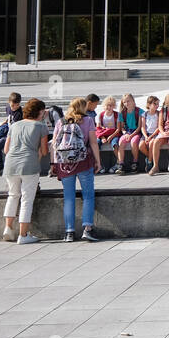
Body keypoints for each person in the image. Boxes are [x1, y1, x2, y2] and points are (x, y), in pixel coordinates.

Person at [52, 97, 100, 242]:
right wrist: (98, 161)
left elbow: (54, 144)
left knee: (68, 198)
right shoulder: (88, 121)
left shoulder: (61, 121)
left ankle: (69, 232)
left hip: (65, 164)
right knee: (88, 195)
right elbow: (93, 142)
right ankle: (87, 229)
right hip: (84, 161)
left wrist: (53, 164)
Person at [1, 98, 48, 244]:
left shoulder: (15, 125)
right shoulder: (41, 126)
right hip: (29, 165)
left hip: (10, 165)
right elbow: (44, 150)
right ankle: (23, 234)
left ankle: (8, 229)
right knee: (27, 199)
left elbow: (6, 149)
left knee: (13, 195)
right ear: (40, 111)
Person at [0, 92, 24, 177]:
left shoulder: (20, 113)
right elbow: (9, 117)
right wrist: (4, 123)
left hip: (15, 135)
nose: (14, 107)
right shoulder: (8, 108)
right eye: (12, 105)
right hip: (8, 133)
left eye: (17, 105)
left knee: (9, 150)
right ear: (9, 102)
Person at [148, 92, 169, 175]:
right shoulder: (162, 111)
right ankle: (155, 166)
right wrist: (163, 132)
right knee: (156, 141)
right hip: (165, 131)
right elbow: (160, 125)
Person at [113, 94, 142, 174]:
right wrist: (125, 133)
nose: (126, 103)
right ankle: (121, 164)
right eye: (124, 102)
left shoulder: (139, 111)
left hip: (136, 132)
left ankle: (135, 162)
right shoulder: (122, 113)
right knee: (121, 142)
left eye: (128, 101)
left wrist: (131, 135)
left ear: (133, 101)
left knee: (133, 142)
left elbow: (139, 127)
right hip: (127, 132)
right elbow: (122, 127)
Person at [94, 95, 120, 174]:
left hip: (114, 134)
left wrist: (111, 137)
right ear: (103, 106)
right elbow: (98, 128)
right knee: (96, 144)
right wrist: (102, 137)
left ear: (114, 106)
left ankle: (118, 163)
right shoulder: (100, 115)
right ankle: (99, 164)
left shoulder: (117, 115)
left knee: (115, 144)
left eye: (111, 105)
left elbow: (118, 129)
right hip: (103, 134)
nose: (108, 107)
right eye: (107, 105)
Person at [140, 95, 161, 174]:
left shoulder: (158, 114)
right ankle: (150, 157)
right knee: (141, 146)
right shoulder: (144, 114)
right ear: (149, 104)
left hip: (155, 133)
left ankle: (149, 162)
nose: (157, 106)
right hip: (146, 134)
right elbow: (142, 127)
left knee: (152, 143)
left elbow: (159, 127)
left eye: (158, 104)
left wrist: (151, 136)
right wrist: (146, 136)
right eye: (155, 104)